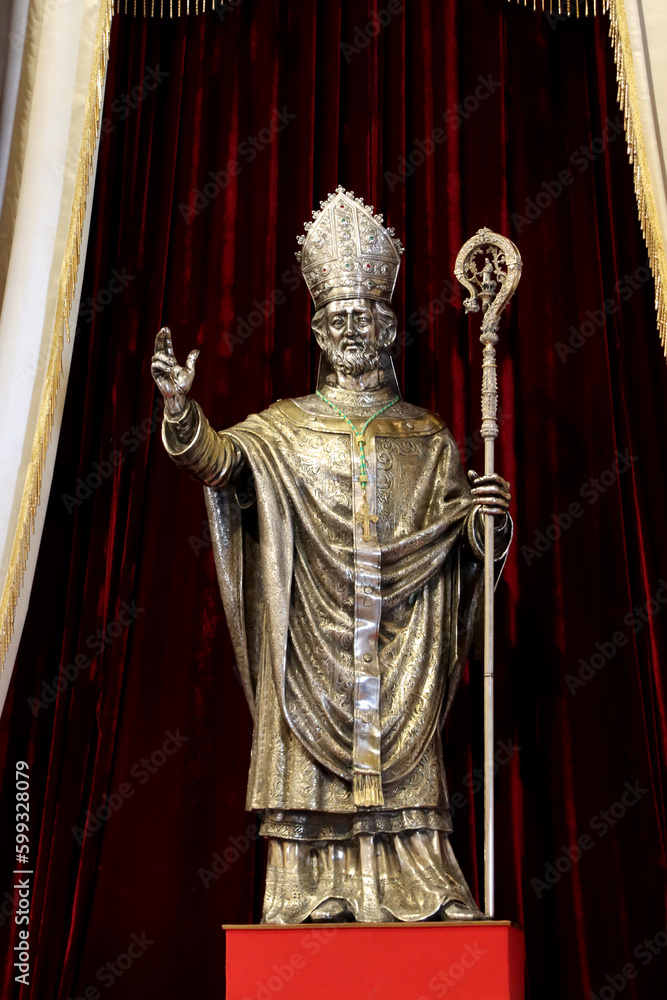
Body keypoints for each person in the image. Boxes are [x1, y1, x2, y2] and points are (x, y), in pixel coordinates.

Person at [151, 186, 511, 923]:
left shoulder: (429, 438)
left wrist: (488, 527)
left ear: (387, 329)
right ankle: (313, 889)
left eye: (365, 318)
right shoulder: (283, 430)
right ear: (317, 331)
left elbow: (460, 554)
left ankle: (422, 884)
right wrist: (182, 413)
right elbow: (218, 462)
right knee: (306, 769)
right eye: (338, 319)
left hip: (401, 644)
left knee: (410, 764)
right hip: (310, 644)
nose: (352, 330)